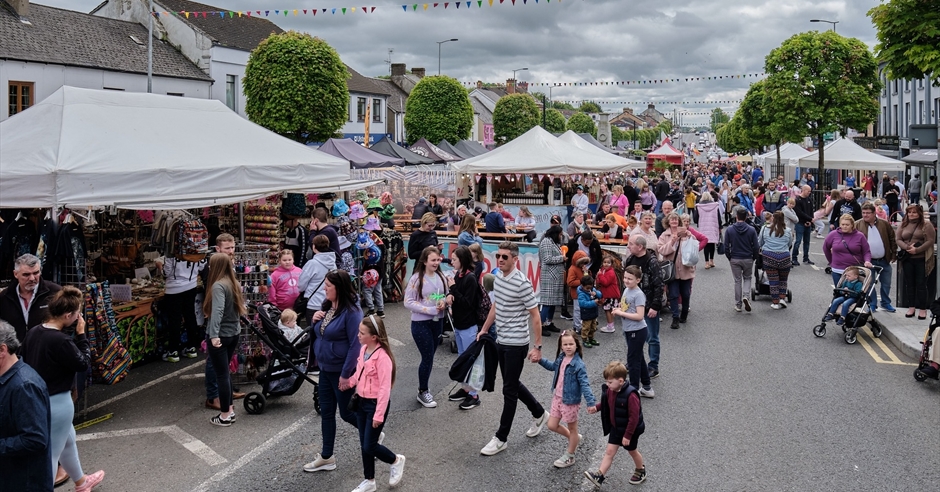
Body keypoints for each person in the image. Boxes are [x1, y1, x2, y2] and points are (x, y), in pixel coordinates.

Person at [20, 287, 105, 492]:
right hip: (57, 402)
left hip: (36, 399)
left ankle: (82, 482)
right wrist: (82, 335)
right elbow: (83, 362)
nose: (79, 317)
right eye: (77, 314)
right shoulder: (60, 340)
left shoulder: (34, 332)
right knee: (51, 454)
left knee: (68, 441)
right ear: (68, 315)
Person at [477, 242, 547, 457]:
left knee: (508, 390)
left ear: (515, 259)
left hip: (517, 343)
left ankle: (501, 438)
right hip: (501, 339)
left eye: (505, 257)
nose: (500, 259)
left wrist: (537, 346)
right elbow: (496, 306)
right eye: (498, 256)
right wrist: (485, 329)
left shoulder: (522, 283)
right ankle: (539, 412)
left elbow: (535, 315)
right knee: (512, 382)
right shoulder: (498, 277)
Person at [304, 270, 363, 473]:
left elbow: (356, 346)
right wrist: (315, 322)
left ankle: (371, 433)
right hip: (325, 369)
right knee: (327, 413)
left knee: (347, 413)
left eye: (328, 286)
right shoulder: (328, 306)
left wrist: (346, 374)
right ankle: (327, 457)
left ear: (339, 288)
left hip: (340, 371)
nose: (324, 289)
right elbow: (321, 333)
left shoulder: (352, 312)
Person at [348, 315, 405, 492]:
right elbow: (360, 371)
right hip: (362, 402)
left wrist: (378, 414)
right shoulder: (363, 349)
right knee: (364, 444)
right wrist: (350, 382)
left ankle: (395, 460)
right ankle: (369, 481)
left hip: (374, 405)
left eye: (362, 333)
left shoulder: (383, 358)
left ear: (374, 337)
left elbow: (384, 389)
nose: (358, 335)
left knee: (369, 445)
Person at [0, 321, 53, 491]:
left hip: (24, 483)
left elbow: (35, 439)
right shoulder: (8, 379)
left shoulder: (24, 386)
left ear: (2, 350)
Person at [535, 331, 596, 469]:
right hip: (557, 397)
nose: (568, 347)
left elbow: (585, 384)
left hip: (570, 401)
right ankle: (574, 439)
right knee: (551, 425)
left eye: (571, 344)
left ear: (576, 345)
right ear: (561, 346)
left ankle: (570, 455)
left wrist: (591, 402)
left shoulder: (578, 365)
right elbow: (553, 367)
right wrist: (539, 360)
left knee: (573, 428)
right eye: (565, 344)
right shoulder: (561, 358)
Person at [582, 363, 647, 486]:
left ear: (621, 381)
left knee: (632, 451)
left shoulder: (631, 395)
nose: (607, 385)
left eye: (610, 382)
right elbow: (607, 403)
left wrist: (628, 435)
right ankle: (599, 476)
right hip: (616, 427)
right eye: (607, 382)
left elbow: (634, 418)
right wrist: (596, 408)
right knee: (609, 452)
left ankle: (640, 469)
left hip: (630, 430)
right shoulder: (611, 390)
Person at [202, 254, 246, 427]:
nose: (210, 268)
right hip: (233, 333)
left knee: (221, 374)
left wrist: (213, 335)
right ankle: (230, 409)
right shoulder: (232, 282)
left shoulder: (218, 286)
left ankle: (225, 414)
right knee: (225, 373)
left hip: (221, 335)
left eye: (211, 265)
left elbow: (218, 311)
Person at [404, 246, 447, 408]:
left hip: (438, 322)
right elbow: (408, 302)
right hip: (420, 323)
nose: (436, 263)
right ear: (424, 261)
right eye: (433, 260)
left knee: (430, 356)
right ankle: (423, 391)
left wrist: (444, 301)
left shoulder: (441, 277)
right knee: (427, 356)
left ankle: (424, 389)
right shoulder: (416, 279)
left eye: (438, 260)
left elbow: (444, 295)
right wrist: (429, 310)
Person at [444, 246, 483, 410]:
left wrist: (453, 289)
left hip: (468, 325)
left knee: (471, 360)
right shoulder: (458, 275)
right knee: (462, 358)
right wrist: (449, 295)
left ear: (463, 260)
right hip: (459, 324)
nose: (452, 262)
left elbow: (468, 303)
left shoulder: (470, 279)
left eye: (454, 259)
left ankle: (474, 394)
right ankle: (465, 388)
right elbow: (456, 296)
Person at [657, 212, 707, 329]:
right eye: (672, 220)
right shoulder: (665, 235)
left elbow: (695, 246)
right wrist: (672, 241)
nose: (674, 221)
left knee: (685, 293)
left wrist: (690, 237)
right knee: (673, 294)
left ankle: (684, 312)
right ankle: (675, 317)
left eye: (676, 219)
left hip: (686, 269)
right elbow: (661, 250)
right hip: (672, 270)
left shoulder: (686, 233)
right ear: (668, 222)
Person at [623, 237, 664, 379]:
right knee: (631, 335)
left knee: (652, 337)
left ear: (640, 247)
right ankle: (634, 360)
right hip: (631, 307)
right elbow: (626, 282)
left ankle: (653, 366)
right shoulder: (630, 260)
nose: (628, 246)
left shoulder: (652, 262)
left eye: (631, 244)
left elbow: (659, 284)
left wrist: (655, 306)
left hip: (648, 306)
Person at [0, 253, 62, 342]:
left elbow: (72, 321)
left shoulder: (55, 292)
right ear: (15, 274)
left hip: (47, 351)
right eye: (26, 275)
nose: (32, 278)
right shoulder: (5, 297)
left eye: (36, 273)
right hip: (16, 352)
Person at [895, 204, 936, 319]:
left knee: (921, 285)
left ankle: (923, 309)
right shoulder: (904, 223)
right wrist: (907, 248)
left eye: (914, 212)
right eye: (909, 212)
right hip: (907, 258)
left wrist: (917, 250)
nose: (911, 214)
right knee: (909, 284)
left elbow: (930, 241)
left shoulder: (927, 225)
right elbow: (898, 239)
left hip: (921, 259)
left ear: (919, 213)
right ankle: (911, 307)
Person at [855, 203, 897, 313]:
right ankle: (872, 304)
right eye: (863, 213)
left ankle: (886, 303)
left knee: (886, 283)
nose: (865, 215)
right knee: (869, 284)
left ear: (874, 213)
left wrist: (893, 254)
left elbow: (892, 238)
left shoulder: (884, 224)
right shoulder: (857, 224)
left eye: (868, 213)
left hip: (884, 259)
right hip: (867, 261)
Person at [823, 214, 873, 288]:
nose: (844, 226)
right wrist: (831, 262)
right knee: (839, 292)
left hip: (854, 271)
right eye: (842, 224)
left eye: (847, 224)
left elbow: (866, 251)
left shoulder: (860, 236)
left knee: (853, 294)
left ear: (852, 225)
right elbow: (826, 248)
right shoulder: (833, 234)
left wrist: (867, 261)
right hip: (837, 269)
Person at [725, 208, 760, 313]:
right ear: (746, 217)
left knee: (737, 280)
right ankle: (746, 296)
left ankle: (738, 304)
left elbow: (726, 246)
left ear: (736, 216)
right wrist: (754, 257)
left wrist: (729, 257)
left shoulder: (730, 229)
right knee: (748, 278)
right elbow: (756, 246)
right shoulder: (751, 230)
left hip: (735, 257)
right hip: (748, 257)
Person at [298, 235, 338, 326]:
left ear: (314, 247)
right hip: (329, 303)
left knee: (312, 332)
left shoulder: (311, 264)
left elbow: (301, 285)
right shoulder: (333, 264)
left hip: (313, 303)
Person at [758, 211, 794, 309]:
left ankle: (775, 302)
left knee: (773, 280)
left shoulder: (765, 228)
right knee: (783, 279)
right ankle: (782, 298)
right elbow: (790, 244)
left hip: (770, 256)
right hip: (784, 256)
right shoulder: (788, 230)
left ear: (773, 218)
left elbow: (760, 242)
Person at [538, 226, 567, 334]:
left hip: (555, 276)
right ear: (555, 234)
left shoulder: (553, 242)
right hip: (549, 276)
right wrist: (562, 258)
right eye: (560, 234)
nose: (561, 236)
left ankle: (549, 323)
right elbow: (547, 259)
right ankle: (541, 325)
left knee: (553, 302)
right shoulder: (546, 242)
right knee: (547, 302)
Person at [695, 192, 722, 269]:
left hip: (703, 226)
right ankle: (712, 261)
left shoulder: (699, 206)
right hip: (713, 226)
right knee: (712, 244)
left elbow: (695, 218)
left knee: (705, 244)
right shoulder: (715, 205)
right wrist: (720, 226)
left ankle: (706, 262)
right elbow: (719, 217)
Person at [791, 185, 816, 266]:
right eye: (808, 191)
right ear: (803, 190)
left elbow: (811, 211)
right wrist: (809, 219)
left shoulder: (809, 199)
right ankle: (794, 258)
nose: (809, 192)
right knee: (798, 241)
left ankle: (806, 258)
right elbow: (799, 213)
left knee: (807, 242)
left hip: (808, 223)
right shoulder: (797, 200)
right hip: (800, 223)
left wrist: (810, 220)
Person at [595, 256, 621, 334]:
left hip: (610, 295)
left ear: (611, 264)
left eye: (608, 263)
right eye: (604, 262)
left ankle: (610, 326)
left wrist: (599, 275)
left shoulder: (610, 272)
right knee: (608, 310)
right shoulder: (604, 271)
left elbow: (605, 282)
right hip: (608, 294)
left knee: (608, 310)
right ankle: (610, 325)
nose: (606, 264)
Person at [567, 254, 591, 331]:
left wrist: (587, 272)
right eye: (582, 263)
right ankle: (578, 327)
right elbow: (570, 282)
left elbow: (588, 279)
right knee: (577, 311)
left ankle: (575, 325)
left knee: (580, 310)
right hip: (576, 293)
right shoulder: (572, 269)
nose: (583, 265)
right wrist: (582, 282)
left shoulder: (583, 268)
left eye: (585, 263)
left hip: (583, 293)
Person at [577, 276, 603, 348]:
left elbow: (600, 294)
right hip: (586, 313)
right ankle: (585, 339)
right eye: (587, 288)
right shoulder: (581, 294)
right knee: (586, 327)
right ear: (582, 286)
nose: (589, 289)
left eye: (590, 288)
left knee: (593, 326)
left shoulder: (592, 289)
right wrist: (593, 302)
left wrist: (596, 293)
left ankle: (591, 338)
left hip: (593, 312)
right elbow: (583, 304)